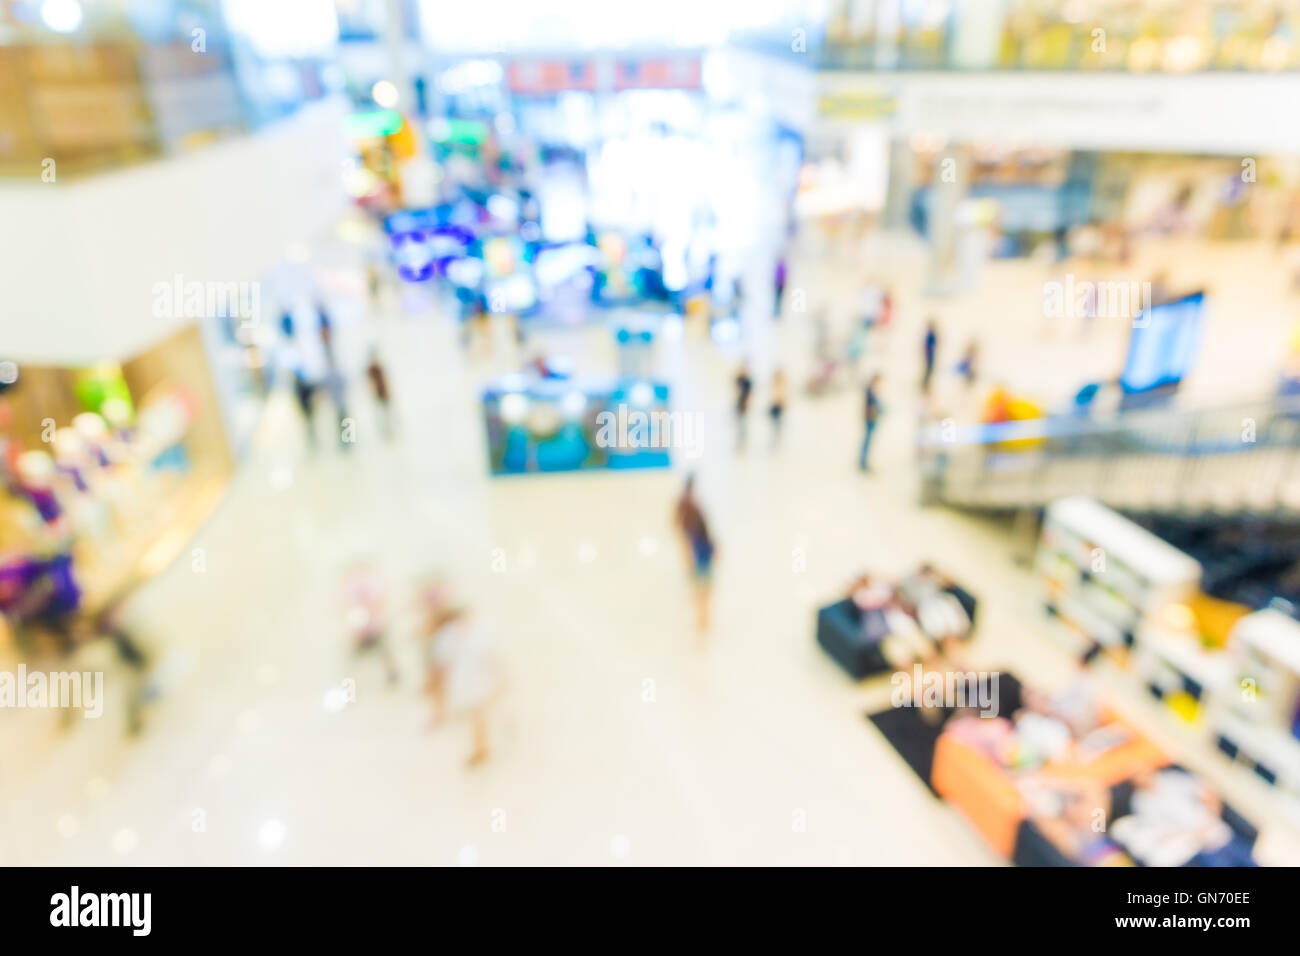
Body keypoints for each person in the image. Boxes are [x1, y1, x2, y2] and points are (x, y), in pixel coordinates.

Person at [674, 475, 716, 638]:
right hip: (703, 565)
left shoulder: (693, 537)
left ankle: (701, 618)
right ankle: (702, 621)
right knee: (703, 595)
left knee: (700, 592)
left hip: (699, 562)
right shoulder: (700, 539)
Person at [366, 349, 394, 439]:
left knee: (387, 414)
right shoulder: (372, 368)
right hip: (378, 394)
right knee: (381, 414)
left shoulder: (379, 367)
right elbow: (370, 382)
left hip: (384, 394)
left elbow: (385, 380)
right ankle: (384, 433)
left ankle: (389, 431)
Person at [859, 373, 883, 472]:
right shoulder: (871, 391)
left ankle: (864, 462)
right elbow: (873, 405)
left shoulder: (870, 391)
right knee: (867, 441)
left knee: (867, 441)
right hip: (870, 418)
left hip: (870, 418)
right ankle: (863, 462)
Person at [734, 363, 753, 451]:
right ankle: (739, 445)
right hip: (737, 406)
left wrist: (747, 403)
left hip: (744, 408)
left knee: (743, 427)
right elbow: (735, 391)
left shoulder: (748, 382)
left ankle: (743, 445)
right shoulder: (738, 379)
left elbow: (750, 394)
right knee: (738, 427)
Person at [768, 369, 786, 449]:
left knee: (778, 428)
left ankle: (777, 444)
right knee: (774, 427)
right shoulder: (773, 386)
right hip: (774, 408)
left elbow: (783, 398)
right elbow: (772, 398)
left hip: (780, 409)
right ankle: (774, 444)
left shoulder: (782, 386)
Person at [921, 319, 939, 393]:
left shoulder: (930, 334)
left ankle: (925, 384)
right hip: (929, 356)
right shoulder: (931, 334)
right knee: (928, 370)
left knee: (928, 370)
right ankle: (925, 385)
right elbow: (931, 345)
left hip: (929, 355)